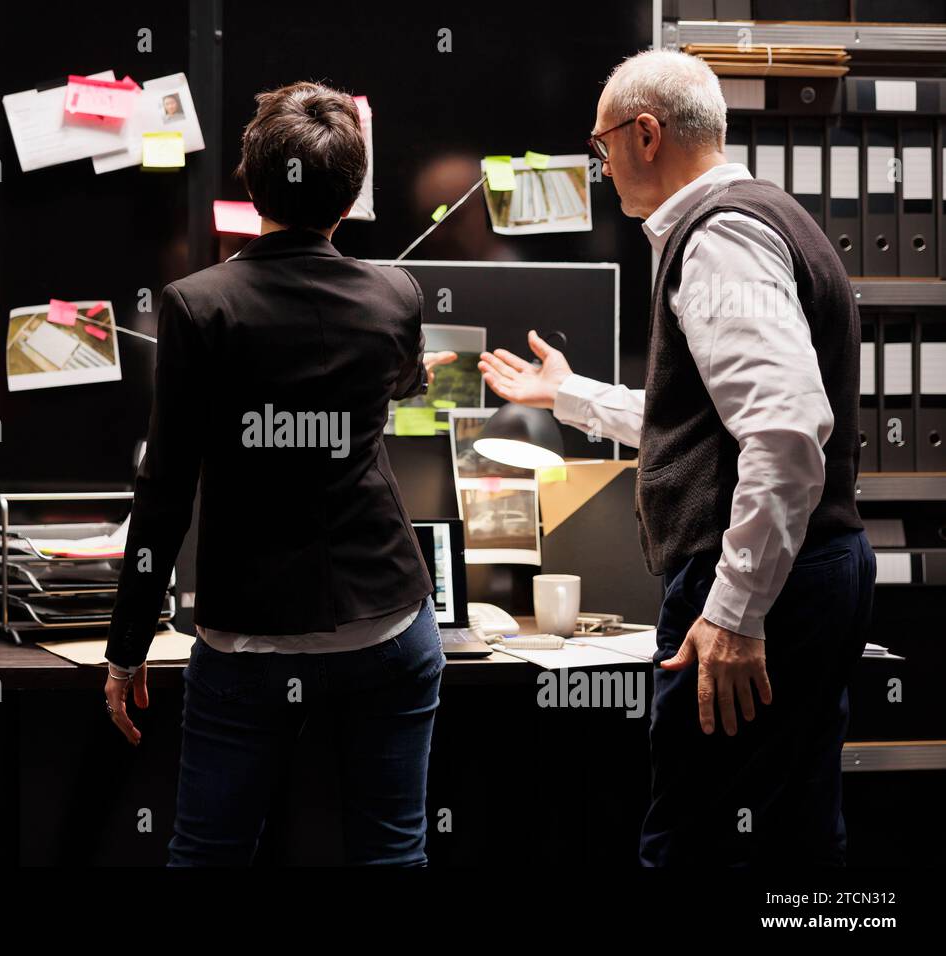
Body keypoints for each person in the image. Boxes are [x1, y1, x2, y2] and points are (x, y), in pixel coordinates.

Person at [479, 50, 874, 866]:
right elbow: (706, 427)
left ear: (646, 134)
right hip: (805, 572)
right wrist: (569, 396)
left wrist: (733, 612)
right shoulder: (758, 216)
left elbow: (784, 433)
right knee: (792, 838)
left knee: (698, 842)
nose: (601, 165)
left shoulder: (722, 238)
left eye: (601, 146)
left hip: (767, 584)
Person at [103, 81, 457, 866]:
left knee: (209, 855)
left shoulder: (198, 306)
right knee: (393, 856)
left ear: (251, 182)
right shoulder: (396, 293)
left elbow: (164, 491)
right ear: (349, 193)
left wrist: (126, 646)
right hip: (389, 623)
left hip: (250, 640)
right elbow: (395, 379)